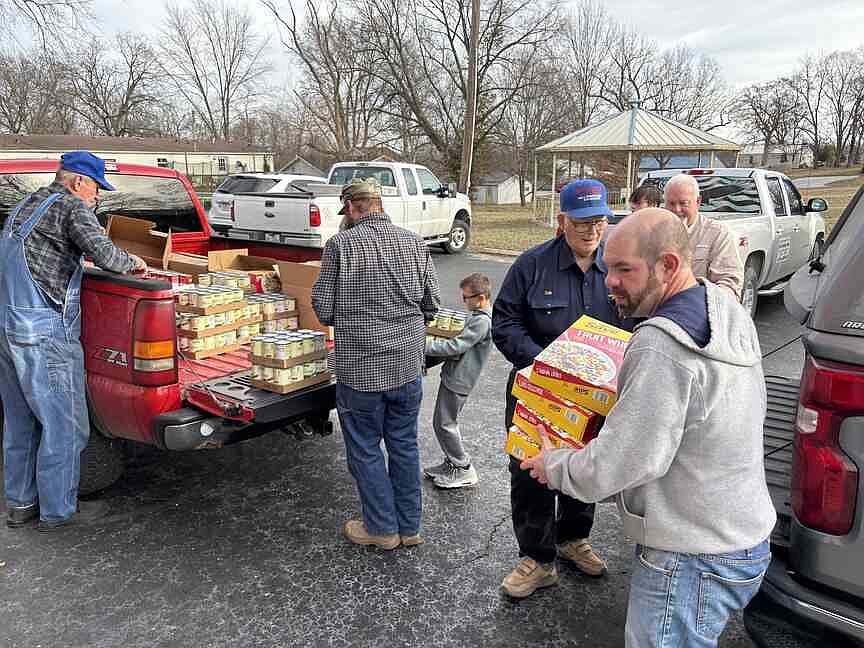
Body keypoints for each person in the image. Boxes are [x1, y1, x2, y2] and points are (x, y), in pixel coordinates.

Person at [521, 208, 776, 647]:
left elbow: (626, 460)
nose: (609, 282)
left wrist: (555, 466)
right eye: (607, 267)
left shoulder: (662, 343)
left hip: (690, 557)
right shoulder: (723, 309)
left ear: (669, 265)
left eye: (624, 269)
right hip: (743, 538)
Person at [492, 178, 631, 598]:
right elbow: (504, 323)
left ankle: (573, 540)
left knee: (586, 468)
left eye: (600, 222)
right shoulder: (532, 265)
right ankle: (537, 559)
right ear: (562, 220)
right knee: (531, 472)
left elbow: (639, 324)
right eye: (582, 223)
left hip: (596, 399)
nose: (592, 231)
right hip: (536, 392)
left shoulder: (620, 270)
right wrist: (547, 364)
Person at [1, 151, 146, 532]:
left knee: (20, 425)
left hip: (7, 328)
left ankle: (20, 504)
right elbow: (107, 257)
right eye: (96, 187)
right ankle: (58, 511)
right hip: (43, 333)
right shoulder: (71, 208)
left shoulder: (25, 206)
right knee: (64, 426)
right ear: (77, 181)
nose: (97, 196)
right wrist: (135, 263)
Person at [312, 178, 441, 550]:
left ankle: (382, 529)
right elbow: (432, 304)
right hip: (406, 368)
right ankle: (409, 528)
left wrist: (354, 314)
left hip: (360, 373)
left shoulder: (340, 245)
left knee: (366, 448)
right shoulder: (414, 242)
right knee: (404, 443)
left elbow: (322, 308)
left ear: (351, 207)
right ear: (379, 204)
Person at [423, 273, 493, 489]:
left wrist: (423, 346)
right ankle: (451, 462)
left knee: (445, 423)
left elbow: (456, 346)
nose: (464, 301)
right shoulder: (477, 315)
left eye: (466, 298)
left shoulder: (482, 321)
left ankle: (463, 468)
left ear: (481, 298)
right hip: (455, 377)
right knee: (441, 421)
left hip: (460, 381)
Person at [663, 173, 744, 299]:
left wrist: (702, 304)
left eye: (683, 203)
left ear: (698, 201)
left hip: (697, 309)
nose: (677, 210)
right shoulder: (653, 231)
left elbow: (729, 283)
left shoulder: (717, 233)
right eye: (671, 203)